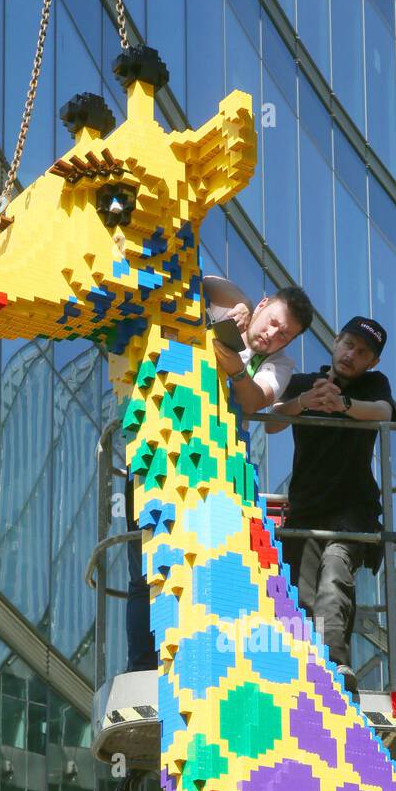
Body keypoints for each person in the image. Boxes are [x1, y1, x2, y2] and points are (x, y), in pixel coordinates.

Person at [125, 279, 314, 671]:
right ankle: (143, 666)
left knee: (209, 568)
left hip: (215, 469)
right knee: (146, 568)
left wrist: (237, 373)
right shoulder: (223, 312)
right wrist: (241, 302)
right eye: (274, 322)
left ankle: (199, 663)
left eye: (285, 335)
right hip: (160, 449)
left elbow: (258, 399)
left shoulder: (278, 364)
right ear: (263, 304)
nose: (273, 335)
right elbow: (196, 277)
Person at [271, 317, 396, 695]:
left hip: (353, 507)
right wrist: (302, 403)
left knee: (336, 568)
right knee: (302, 595)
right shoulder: (307, 383)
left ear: (371, 362)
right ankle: (301, 670)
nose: (351, 355)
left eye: (362, 352)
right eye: (348, 345)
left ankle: (333, 664)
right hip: (307, 509)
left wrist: (343, 405)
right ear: (336, 341)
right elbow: (270, 421)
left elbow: (385, 413)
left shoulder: (373, 385)